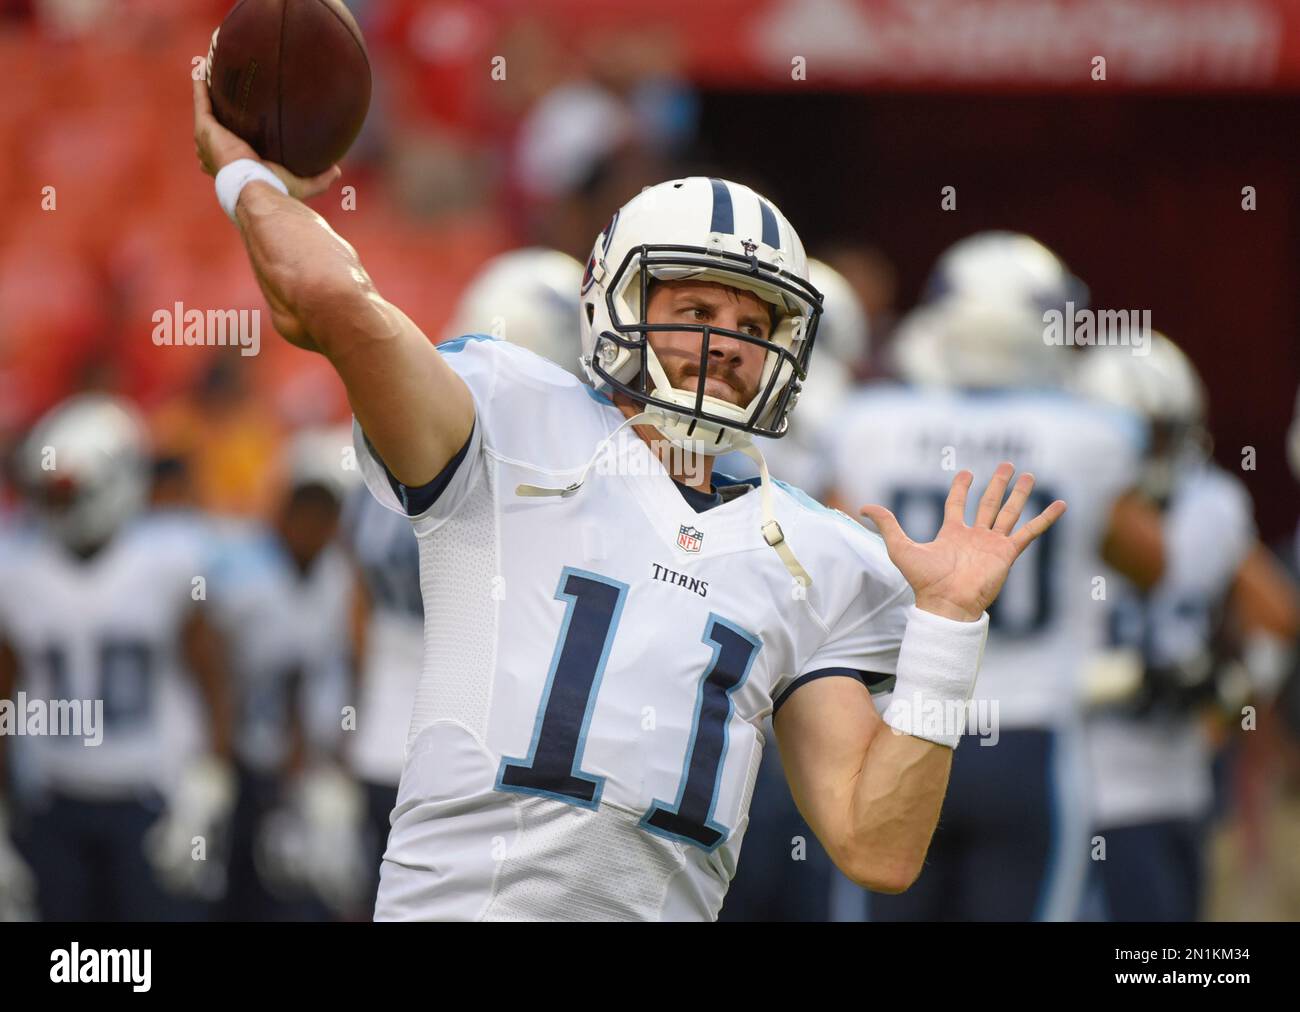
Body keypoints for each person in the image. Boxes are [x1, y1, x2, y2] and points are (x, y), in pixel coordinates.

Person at [193, 82, 1065, 921]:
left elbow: (878, 848)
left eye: (757, 327)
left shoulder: (815, 551)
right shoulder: (507, 420)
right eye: (695, 309)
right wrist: (248, 178)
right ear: (618, 301)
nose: (727, 345)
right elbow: (329, 300)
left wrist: (948, 628)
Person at [826, 232, 1167, 921]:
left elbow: (830, 555)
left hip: (904, 725)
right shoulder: (1091, 435)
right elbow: (1152, 562)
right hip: (1030, 739)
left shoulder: (866, 423)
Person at [1075, 334, 1300, 921]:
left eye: (1158, 433)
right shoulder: (1059, 501)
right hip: (1091, 785)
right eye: (1135, 435)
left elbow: (1275, 616)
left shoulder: (1212, 501)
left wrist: (1232, 688)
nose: (1148, 453)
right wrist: (1111, 680)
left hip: (1183, 782)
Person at [0, 394, 233, 920]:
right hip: (54, 800)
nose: (53, 508)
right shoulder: (16, 572)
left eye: (67, 494)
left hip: (151, 798)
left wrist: (207, 787)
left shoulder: (171, 559)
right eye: (48, 494)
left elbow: (215, 678)